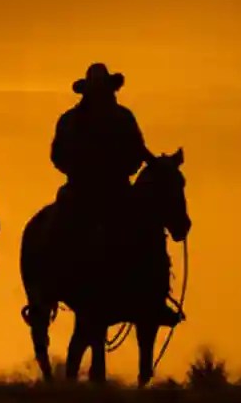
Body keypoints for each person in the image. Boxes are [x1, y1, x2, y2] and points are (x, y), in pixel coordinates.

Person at [49, 62, 180, 326]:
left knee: (148, 230)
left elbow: (138, 148)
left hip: (117, 187)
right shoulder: (71, 121)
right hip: (81, 188)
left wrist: (138, 167)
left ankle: (155, 294)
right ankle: (50, 285)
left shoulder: (123, 118)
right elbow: (57, 155)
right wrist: (80, 170)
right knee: (59, 228)